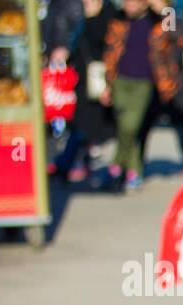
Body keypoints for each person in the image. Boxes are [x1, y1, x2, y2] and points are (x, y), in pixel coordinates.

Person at [101, 0, 183, 191]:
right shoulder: (119, 19)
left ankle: (118, 167)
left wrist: (165, 10)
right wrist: (107, 83)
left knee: (133, 125)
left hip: (149, 83)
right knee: (129, 127)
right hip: (121, 81)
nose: (129, 5)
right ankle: (131, 169)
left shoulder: (157, 19)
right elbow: (108, 49)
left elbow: (175, 34)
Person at [52, 0, 117, 184]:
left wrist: (108, 84)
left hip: (98, 79)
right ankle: (68, 165)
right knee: (81, 126)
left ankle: (115, 171)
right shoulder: (80, 12)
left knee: (93, 128)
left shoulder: (107, 14)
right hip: (82, 80)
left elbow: (105, 47)